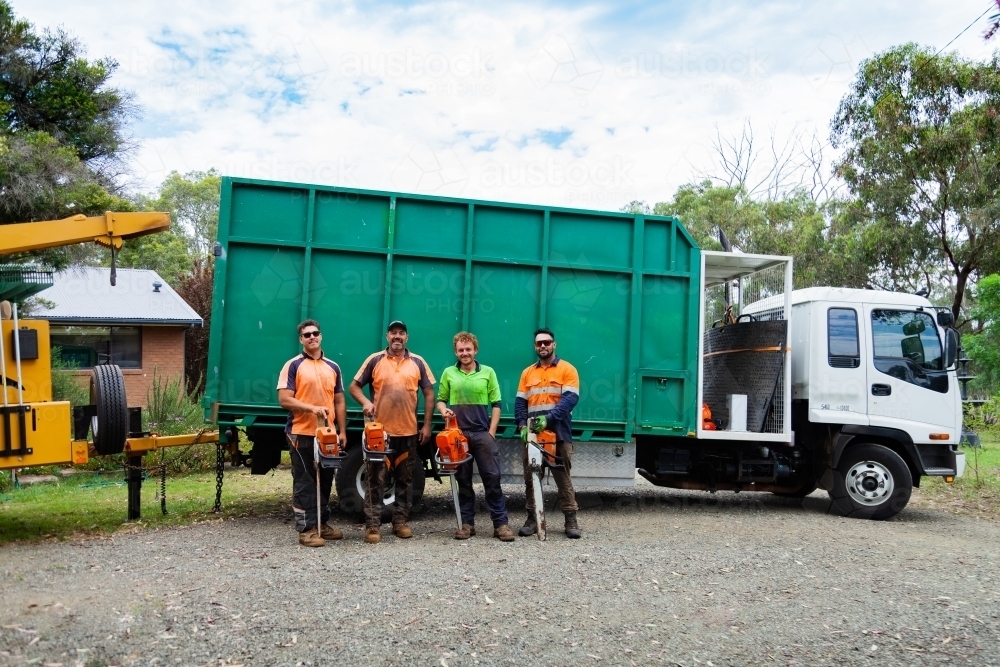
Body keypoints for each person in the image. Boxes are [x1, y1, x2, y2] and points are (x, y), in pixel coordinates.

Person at [349, 320, 435, 544]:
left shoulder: (417, 361)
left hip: (408, 433)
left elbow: (429, 393)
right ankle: (373, 526)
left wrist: (426, 425)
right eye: (393, 333)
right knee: (375, 480)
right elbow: (354, 386)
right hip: (380, 434)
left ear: (407, 337)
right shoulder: (375, 360)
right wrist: (366, 403)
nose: (397, 336)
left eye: (401, 333)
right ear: (387, 336)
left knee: (405, 481)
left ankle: (400, 523)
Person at [436, 332, 516, 542]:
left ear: (475, 350)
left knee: (492, 479)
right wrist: (444, 411)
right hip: (457, 437)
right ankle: (467, 525)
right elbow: (441, 400)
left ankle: (501, 525)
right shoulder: (448, 373)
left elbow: (497, 404)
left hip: (482, 434)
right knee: (463, 480)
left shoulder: (488, 372)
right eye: (461, 350)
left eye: (468, 349)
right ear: (456, 351)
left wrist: (491, 432)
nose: (465, 353)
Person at [277, 319, 347, 547]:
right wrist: (311, 408)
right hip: (301, 433)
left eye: (315, 333)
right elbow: (284, 400)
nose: (312, 337)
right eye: (307, 335)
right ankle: (306, 530)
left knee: (325, 479)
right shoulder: (293, 365)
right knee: (305, 481)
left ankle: (321, 524)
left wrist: (341, 431)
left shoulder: (333, 367)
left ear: (321, 336)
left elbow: (339, 401)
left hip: (327, 434)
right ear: (301, 340)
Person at [515, 327, 582, 539]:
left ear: (554, 345)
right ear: (535, 346)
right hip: (533, 436)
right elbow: (520, 403)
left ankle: (571, 520)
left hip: (559, 433)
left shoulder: (567, 370)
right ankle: (533, 519)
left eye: (547, 342)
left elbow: (570, 400)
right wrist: (522, 426)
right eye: (539, 343)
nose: (543, 346)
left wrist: (549, 419)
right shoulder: (527, 373)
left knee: (562, 477)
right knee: (531, 476)